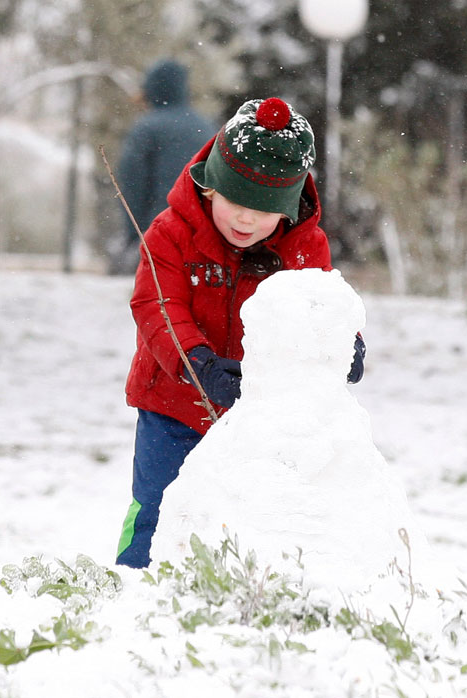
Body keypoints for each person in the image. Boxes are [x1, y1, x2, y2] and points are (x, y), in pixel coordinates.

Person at [114, 97, 366, 568]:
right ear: (211, 187)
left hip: (260, 418)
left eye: (264, 209)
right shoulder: (169, 234)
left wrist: (341, 344)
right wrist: (199, 364)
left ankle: (237, 593)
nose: (246, 219)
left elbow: (319, 305)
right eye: (235, 201)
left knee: (247, 518)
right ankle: (136, 579)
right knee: (158, 506)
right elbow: (158, 306)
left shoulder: (303, 246)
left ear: (288, 210)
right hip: (174, 407)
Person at [110, 59, 214, 274]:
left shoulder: (147, 128)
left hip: (160, 231)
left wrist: (134, 233)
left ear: (152, 89)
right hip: (204, 235)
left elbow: (132, 186)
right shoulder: (205, 127)